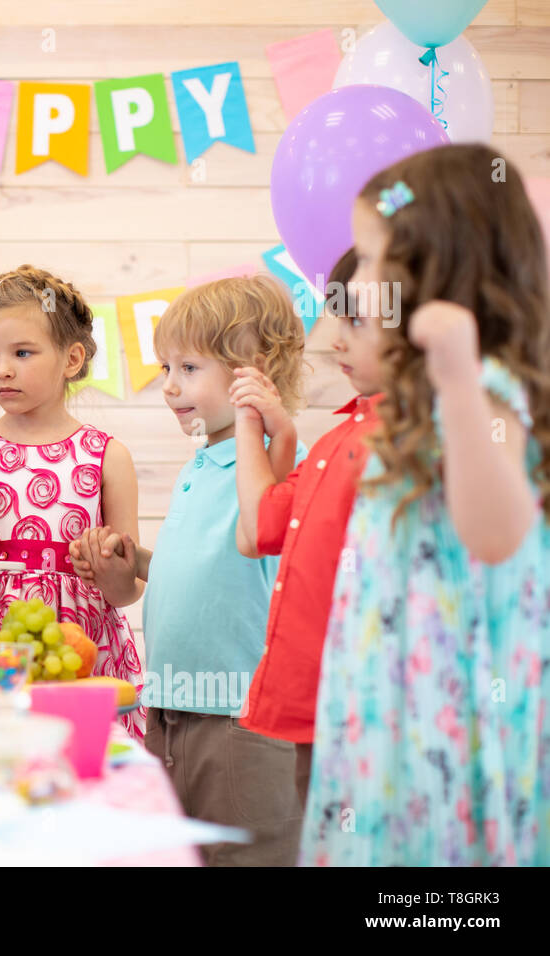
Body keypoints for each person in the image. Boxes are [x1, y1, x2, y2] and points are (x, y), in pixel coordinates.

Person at [301, 144, 550, 866]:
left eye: (375, 260)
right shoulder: (413, 398)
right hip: (395, 693)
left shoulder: (484, 386)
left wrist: (459, 381)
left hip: (449, 704)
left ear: (437, 265)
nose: (362, 280)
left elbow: (498, 533)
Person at [74, 274, 309, 865]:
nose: (170, 387)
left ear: (254, 372)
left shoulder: (278, 463)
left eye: (189, 369)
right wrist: (135, 563)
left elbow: (266, 539)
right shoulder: (201, 465)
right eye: (165, 369)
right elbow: (211, 574)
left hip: (241, 718)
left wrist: (270, 423)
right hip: (172, 710)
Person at [0, 265, 145, 738]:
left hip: (79, 649)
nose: (3, 369)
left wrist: (108, 569)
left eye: (22, 352)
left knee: (77, 769)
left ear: (72, 359)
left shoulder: (107, 457)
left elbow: (127, 590)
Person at [229, 249, 385, 807]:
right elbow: (257, 531)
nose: (336, 339)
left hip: (372, 717)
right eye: (337, 317)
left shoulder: (409, 442)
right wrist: (255, 422)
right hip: (318, 711)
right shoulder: (336, 441)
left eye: (357, 320)